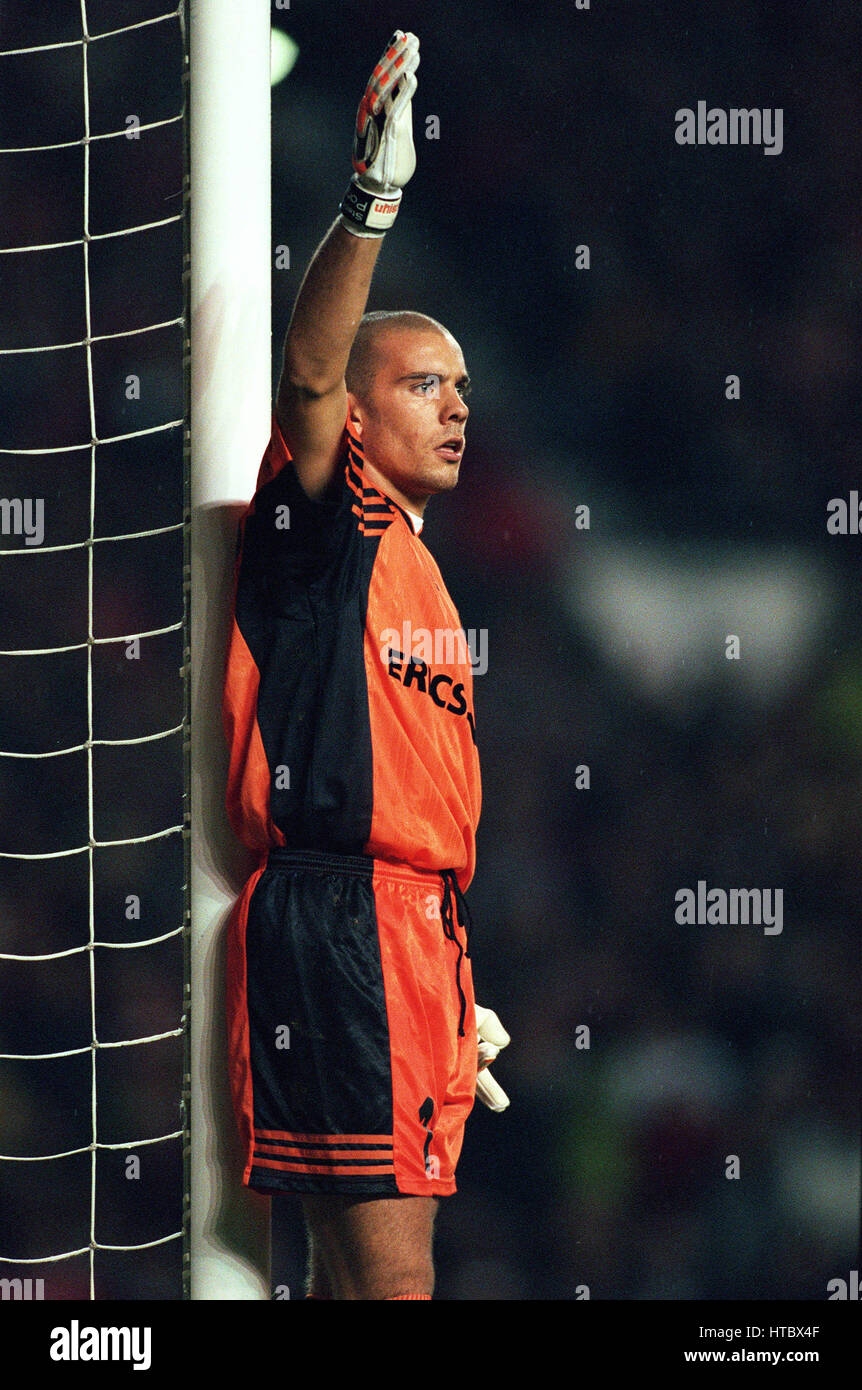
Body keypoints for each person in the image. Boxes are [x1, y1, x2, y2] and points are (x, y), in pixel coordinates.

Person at [222, 30, 509, 1301]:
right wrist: (369, 205)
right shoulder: (329, 529)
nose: (456, 407)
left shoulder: (425, 573)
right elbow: (304, 369)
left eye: (462, 387)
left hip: (407, 940)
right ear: (359, 414)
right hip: (346, 930)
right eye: (425, 382)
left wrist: (452, 981)